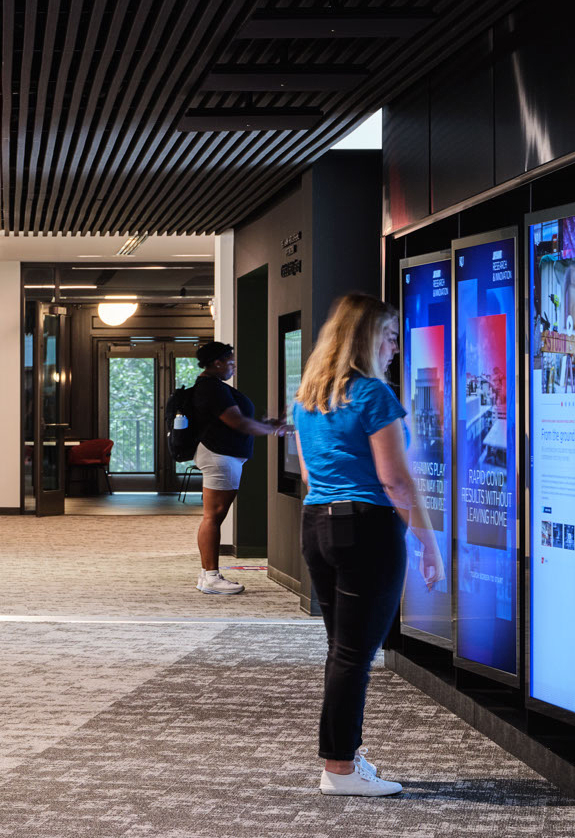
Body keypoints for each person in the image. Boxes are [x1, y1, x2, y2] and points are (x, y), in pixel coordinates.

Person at [291, 292, 444, 796]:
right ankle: (339, 768)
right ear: (366, 338)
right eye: (390, 335)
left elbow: (311, 472)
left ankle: (344, 758)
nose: (397, 346)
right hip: (366, 528)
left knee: (342, 650)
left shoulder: (309, 397)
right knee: (354, 655)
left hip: (318, 524)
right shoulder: (374, 396)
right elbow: (396, 481)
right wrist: (429, 543)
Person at [188, 341, 287, 594]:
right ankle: (211, 577)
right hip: (220, 456)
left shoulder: (212, 387)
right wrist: (273, 429)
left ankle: (206, 575)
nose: (233, 366)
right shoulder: (211, 388)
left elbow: (239, 421)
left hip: (221, 455)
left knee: (213, 516)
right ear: (217, 362)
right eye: (230, 361)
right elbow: (238, 422)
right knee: (214, 516)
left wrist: (267, 424)